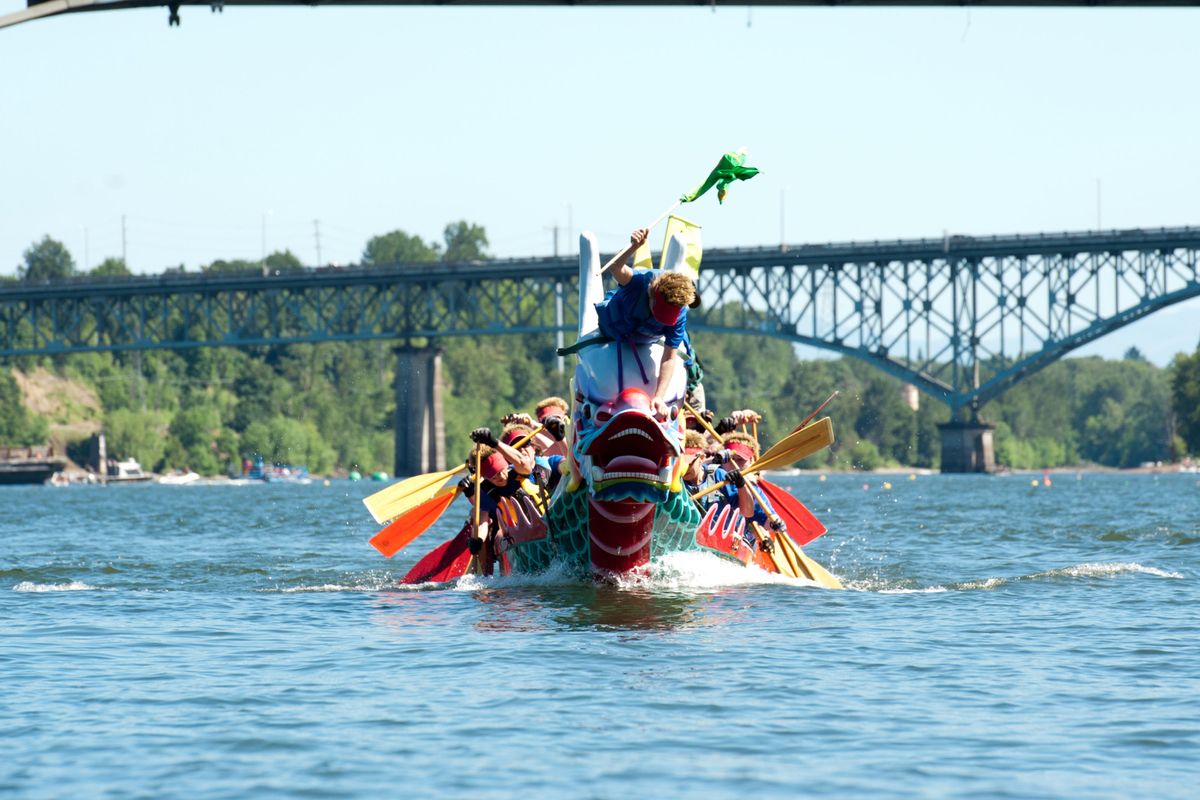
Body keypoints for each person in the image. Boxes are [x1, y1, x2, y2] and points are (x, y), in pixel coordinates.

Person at [595, 228, 700, 418]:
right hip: (614, 329)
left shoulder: (679, 312)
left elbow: (669, 356)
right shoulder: (638, 282)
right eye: (660, 311)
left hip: (645, 339)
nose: (661, 319)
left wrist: (659, 397)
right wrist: (633, 247)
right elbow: (616, 267)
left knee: (685, 345)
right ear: (652, 293)